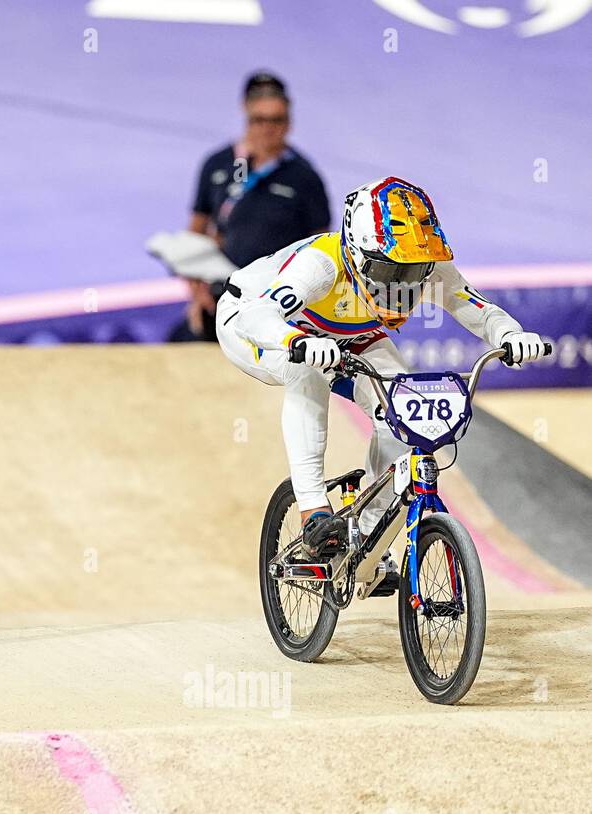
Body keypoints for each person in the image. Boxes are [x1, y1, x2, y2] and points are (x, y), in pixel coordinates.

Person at [214, 177, 545, 562]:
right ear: (355, 253)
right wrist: (296, 342)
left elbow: (477, 308)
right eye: (391, 272)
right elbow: (255, 317)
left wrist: (511, 334)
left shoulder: (423, 260)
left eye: (414, 271)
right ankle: (313, 511)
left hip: (348, 335)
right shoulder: (321, 265)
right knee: (306, 373)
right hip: (256, 322)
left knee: (403, 407)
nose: (404, 283)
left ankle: (369, 535)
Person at [177, 72, 330, 342]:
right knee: (180, 348)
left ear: (289, 121)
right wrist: (196, 292)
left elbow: (321, 246)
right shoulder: (219, 164)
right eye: (259, 119)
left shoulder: (304, 175)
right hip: (222, 295)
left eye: (276, 120)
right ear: (245, 112)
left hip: (278, 300)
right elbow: (195, 236)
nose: (267, 128)